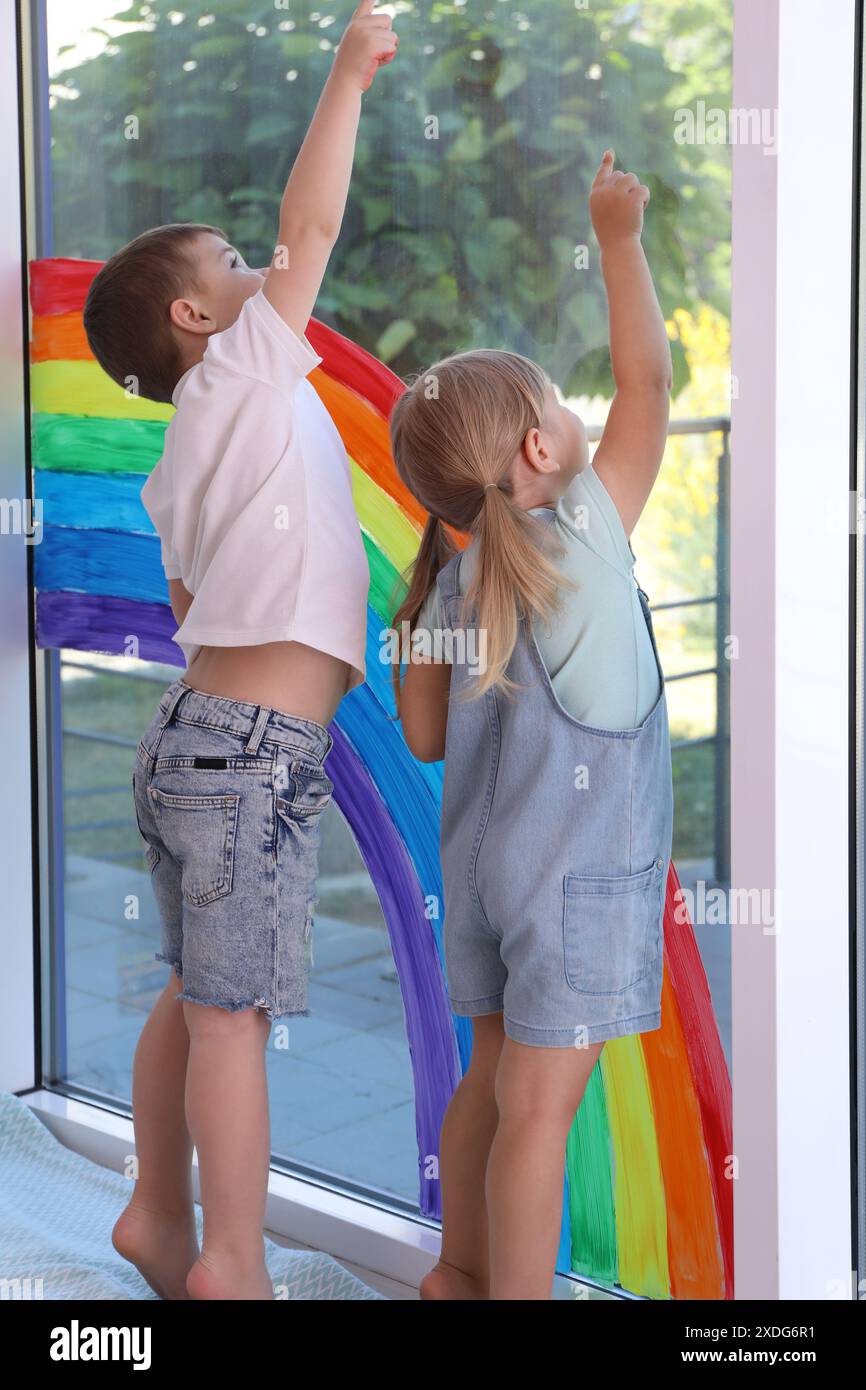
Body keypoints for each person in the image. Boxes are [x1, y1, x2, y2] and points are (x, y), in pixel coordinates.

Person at [81, 1, 398, 1301]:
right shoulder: (249, 372)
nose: (256, 264)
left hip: (194, 745)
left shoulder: (189, 447)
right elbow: (311, 222)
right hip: (248, 760)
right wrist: (350, 63)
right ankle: (226, 1261)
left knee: (193, 994)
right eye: (227, 260)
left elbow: (187, 585)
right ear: (194, 318)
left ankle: (158, 1214)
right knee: (231, 1018)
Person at [390, 149, 674, 1300]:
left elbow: (418, 737)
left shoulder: (450, 589)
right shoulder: (584, 542)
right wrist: (617, 241)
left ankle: (455, 1273)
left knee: (491, 1086)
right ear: (538, 453)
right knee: (539, 1114)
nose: (580, 412)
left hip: (490, 885)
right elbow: (649, 388)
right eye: (560, 403)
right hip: (575, 889)